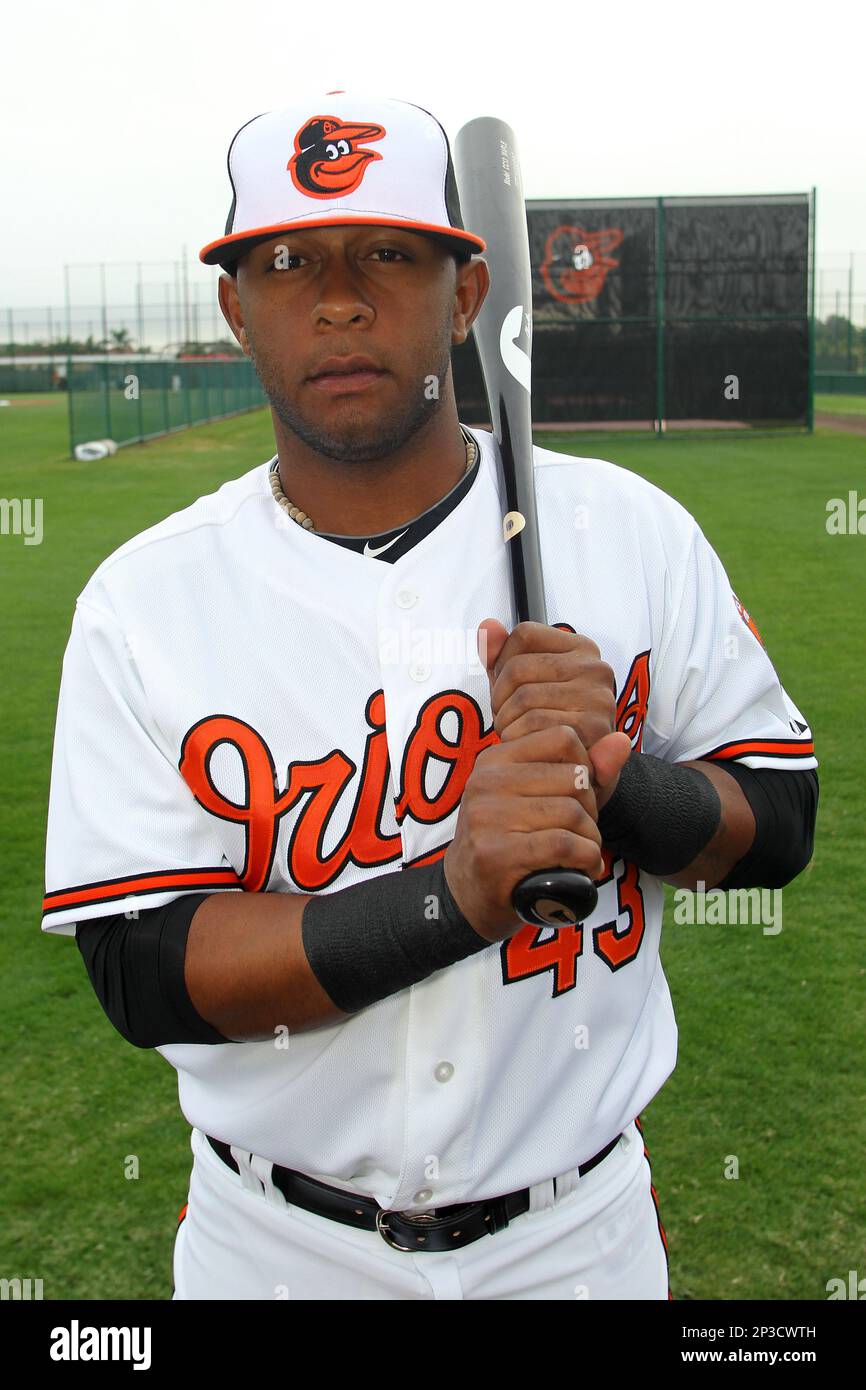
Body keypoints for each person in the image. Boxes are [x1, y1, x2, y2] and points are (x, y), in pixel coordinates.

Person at [41, 91, 818, 1301]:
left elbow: (777, 820)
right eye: (288, 262)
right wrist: (452, 896)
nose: (338, 298)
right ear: (235, 308)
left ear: (466, 294)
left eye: (386, 255)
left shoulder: (631, 533)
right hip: (274, 1251)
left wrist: (620, 778)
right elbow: (141, 968)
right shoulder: (143, 600)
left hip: (578, 1244)